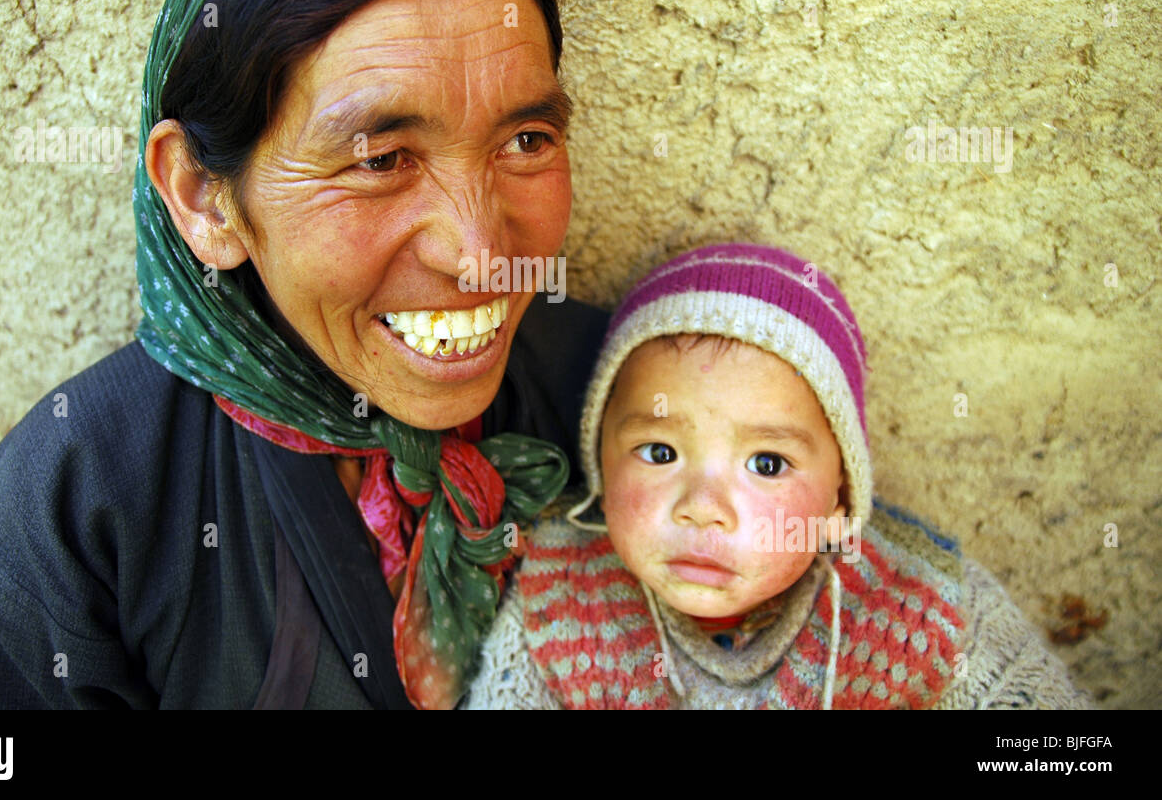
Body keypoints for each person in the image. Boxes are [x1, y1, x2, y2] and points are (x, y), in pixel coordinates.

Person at [0, 0, 607, 710]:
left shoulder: (622, 400)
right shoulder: (87, 494)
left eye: (527, 139)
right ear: (204, 197)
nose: (478, 256)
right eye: (379, 160)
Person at [465, 243, 1092, 708]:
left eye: (767, 464)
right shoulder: (561, 588)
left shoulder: (920, 610)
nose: (702, 508)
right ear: (600, 457)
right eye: (659, 452)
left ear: (842, 498)